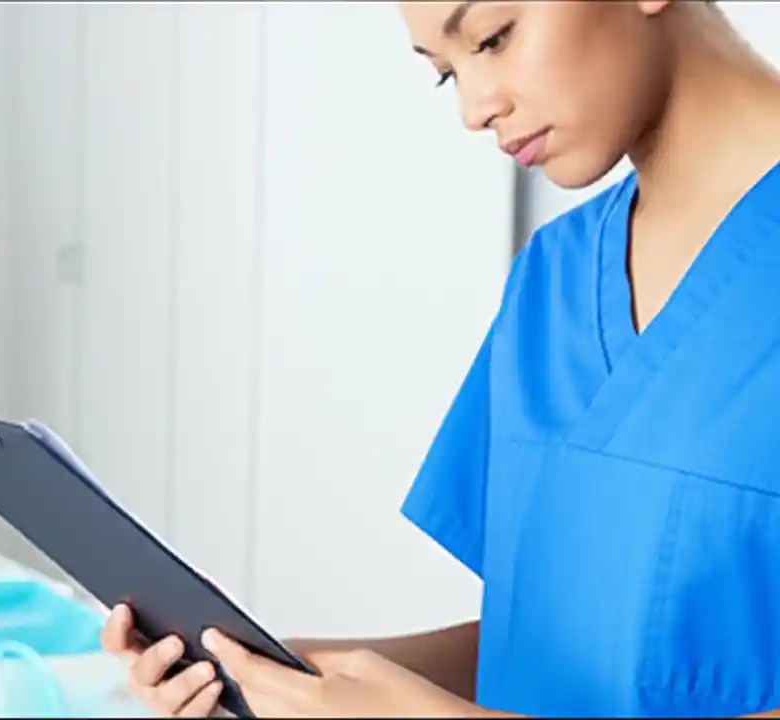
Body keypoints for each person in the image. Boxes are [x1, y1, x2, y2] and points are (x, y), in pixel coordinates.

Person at [101, 1, 780, 717]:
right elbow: (561, 642)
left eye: (493, 37)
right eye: (445, 75)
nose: (476, 107)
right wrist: (277, 678)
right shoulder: (553, 277)